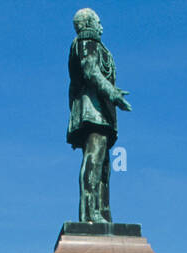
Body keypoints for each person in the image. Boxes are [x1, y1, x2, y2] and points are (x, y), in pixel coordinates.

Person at [67, 8, 131, 222]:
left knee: (103, 165)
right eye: (98, 22)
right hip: (91, 110)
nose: (101, 26)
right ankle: (90, 213)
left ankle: (102, 211)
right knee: (94, 158)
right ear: (88, 24)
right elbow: (90, 71)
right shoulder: (87, 43)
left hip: (99, 110)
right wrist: (113, 93)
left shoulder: (91, 44)